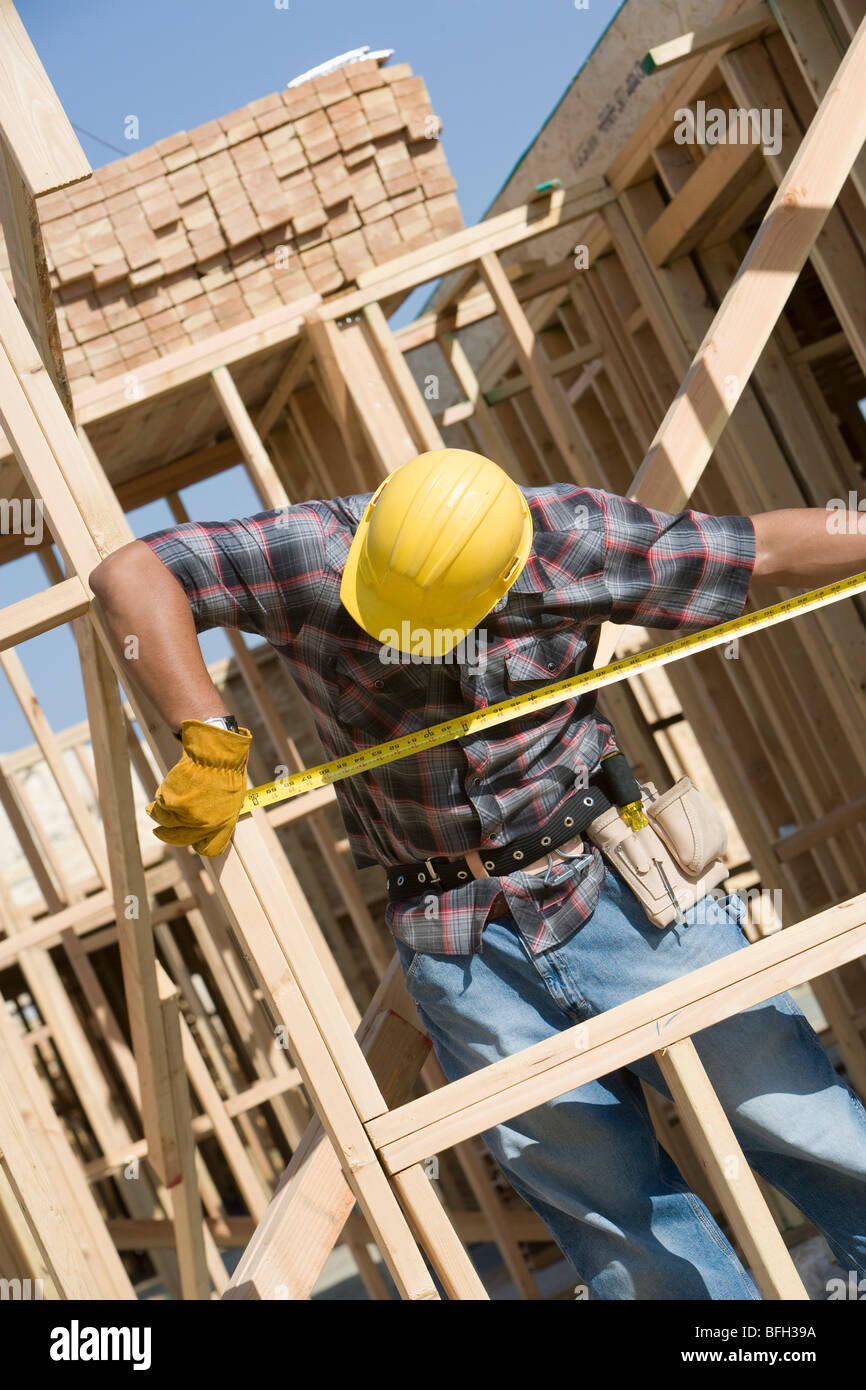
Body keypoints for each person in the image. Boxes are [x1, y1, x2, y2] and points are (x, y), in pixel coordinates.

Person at [90, 448, 866, 1299]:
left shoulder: (570, 539)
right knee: (608, 1213)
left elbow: (764, 549)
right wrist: (205, 731)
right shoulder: (317, 550)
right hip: (460, 945)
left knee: (799, 1117)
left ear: (504, 578)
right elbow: (135, 573)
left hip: (626, 888)